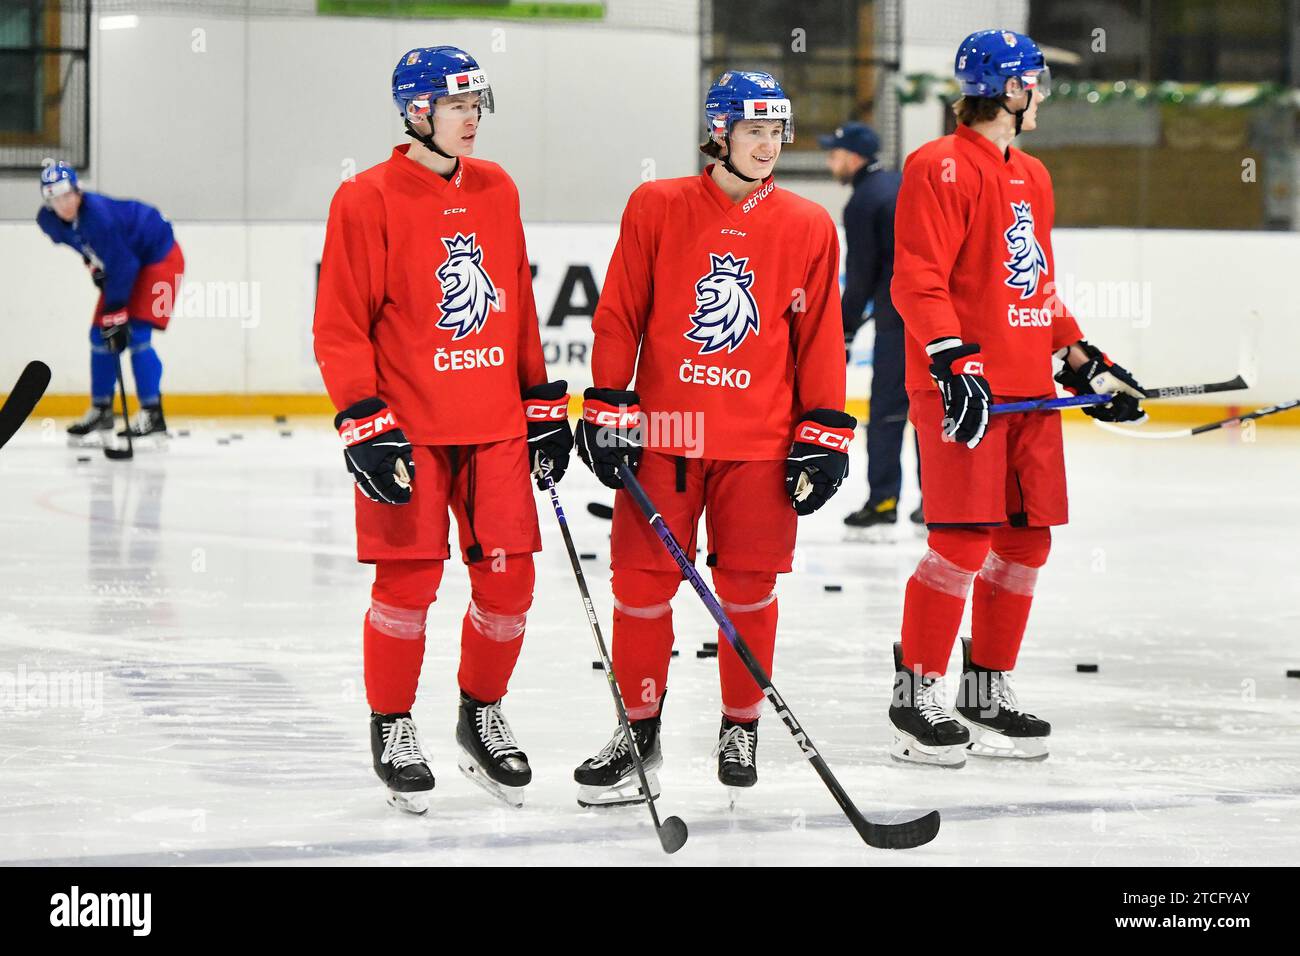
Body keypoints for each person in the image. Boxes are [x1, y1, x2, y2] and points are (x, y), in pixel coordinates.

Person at [572, 71, 854, 806]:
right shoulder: (657, 205)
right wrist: (608, 401)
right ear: (720, 130)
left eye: (777, 131)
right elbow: (620, 314)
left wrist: (823, 430)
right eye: (754, 130)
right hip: (665, 435)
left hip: (760, 443)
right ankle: (638, 730)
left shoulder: (809, 224)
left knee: (748, 590)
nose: (768, 145)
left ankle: (740, 724)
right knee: (639, 588)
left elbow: (823, 337)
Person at [312, 46, 573, 813]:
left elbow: (517, 304)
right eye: (457, 106)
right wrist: (364, 419)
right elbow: (339, 326)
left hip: (492, 424)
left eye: (477, 106)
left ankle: (479, 713)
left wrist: (541, 402)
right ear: (416, 111)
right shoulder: (364, 197)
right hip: (411, 429)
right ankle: (393, 726)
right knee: (408, 586)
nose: (472, 120)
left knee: (510, 582)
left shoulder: (497, 188)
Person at [887, 29, 1146, 767]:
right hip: (964, 390)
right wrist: (951, 359)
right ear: (1007, 89)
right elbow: (917, 279)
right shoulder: (937, 166)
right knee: (962, 540)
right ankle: (916, 695)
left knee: (1027, 539)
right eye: (1035, 81)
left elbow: (1035, 282)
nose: (1041, 96)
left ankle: (985, 690)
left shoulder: (1032, 173)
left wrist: (1080, 357)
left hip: (1028, 389)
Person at [820, 122, 922, 534]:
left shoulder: (864, 200)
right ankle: (935, 504)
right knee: (930, 411)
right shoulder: (900, 185)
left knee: (886, 413)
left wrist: (842, 331)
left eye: (835, 153)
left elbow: (860, 275)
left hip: (897, 323)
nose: (831, 161)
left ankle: (883, 499)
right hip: (932, 321)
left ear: (854, 157)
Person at [37, 162, 183, 444]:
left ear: (78, 192)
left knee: (137, 335)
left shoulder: (99, 217)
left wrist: (116, 311)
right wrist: (94, 265)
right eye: (55, 199)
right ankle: (101, 409)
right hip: (125, 262)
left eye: (67, 196)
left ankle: (153, 414)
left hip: (158, 258)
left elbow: (125, 263)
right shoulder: (49, 221)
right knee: (99, 336)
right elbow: (83, 243)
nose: (63, 204)